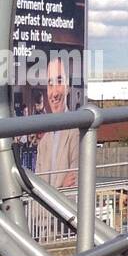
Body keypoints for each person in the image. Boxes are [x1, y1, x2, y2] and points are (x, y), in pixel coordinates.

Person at [34, 56, 78, 191]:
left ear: (68, 86)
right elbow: (37, 192)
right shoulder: (43, 143)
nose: (54, 93)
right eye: (50, 84)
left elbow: (75, 185)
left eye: (59, 81)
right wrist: (60, 187)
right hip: (42, 212)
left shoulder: (77, 132)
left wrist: (51, 191)